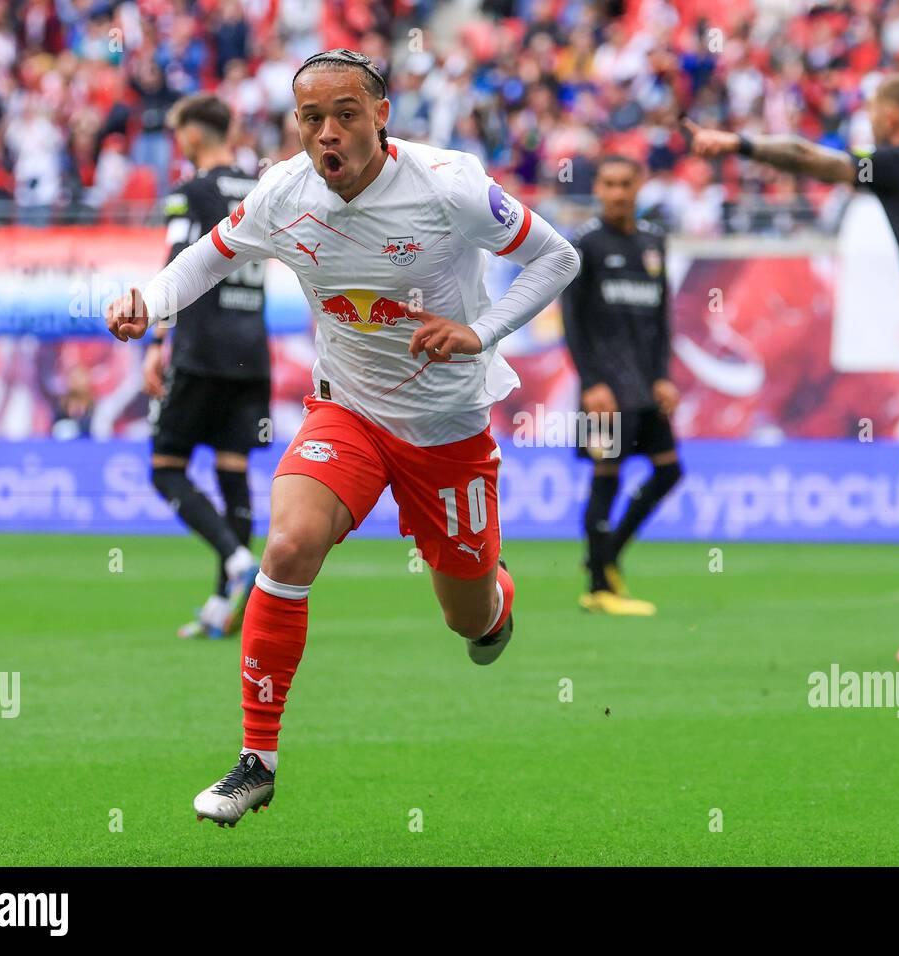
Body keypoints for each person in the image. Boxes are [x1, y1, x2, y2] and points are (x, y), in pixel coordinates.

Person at [106, 50, 580, 825]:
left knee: (470, 621)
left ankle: (493, 595)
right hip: (347, 413)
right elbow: (207, 260)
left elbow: (556, 257)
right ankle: (257, 762)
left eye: (346, 115)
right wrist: (150, 301)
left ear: (381, 114)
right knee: (287, 547)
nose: (328, 133)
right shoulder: (283, 192)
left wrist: (480, 331)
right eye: (311, 118)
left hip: (447, 431)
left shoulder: (448, 184)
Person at [685, 74, 899, 659]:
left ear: (893, 117)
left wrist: (739, 144)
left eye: (873, 108)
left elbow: (808, 158)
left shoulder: (896, 163)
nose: (868, 118)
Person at [144, 93, 268, 639]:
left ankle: (238, 564)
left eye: (179, 134)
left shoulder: (189, 191)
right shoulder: (261, 190)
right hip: (251, 350)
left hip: (200, 350)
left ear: (194, 134)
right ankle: (224, 605)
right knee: (232, 471)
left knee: (165, 468)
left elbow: (175, 262)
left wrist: (156, 339)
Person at [562, 155, 683, 615]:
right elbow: (571, 322)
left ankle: (605, 554)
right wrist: (590, 381)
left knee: (669, 471)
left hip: (646, 387)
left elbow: (660, 317)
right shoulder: (585, 245)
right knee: (606, 477)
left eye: (624, 184)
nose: (616, 192)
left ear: (639, 187)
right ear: (599, 189)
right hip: (605, 390)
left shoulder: (653, 243)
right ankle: (599, 586)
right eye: (608, 184)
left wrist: (663, 376)